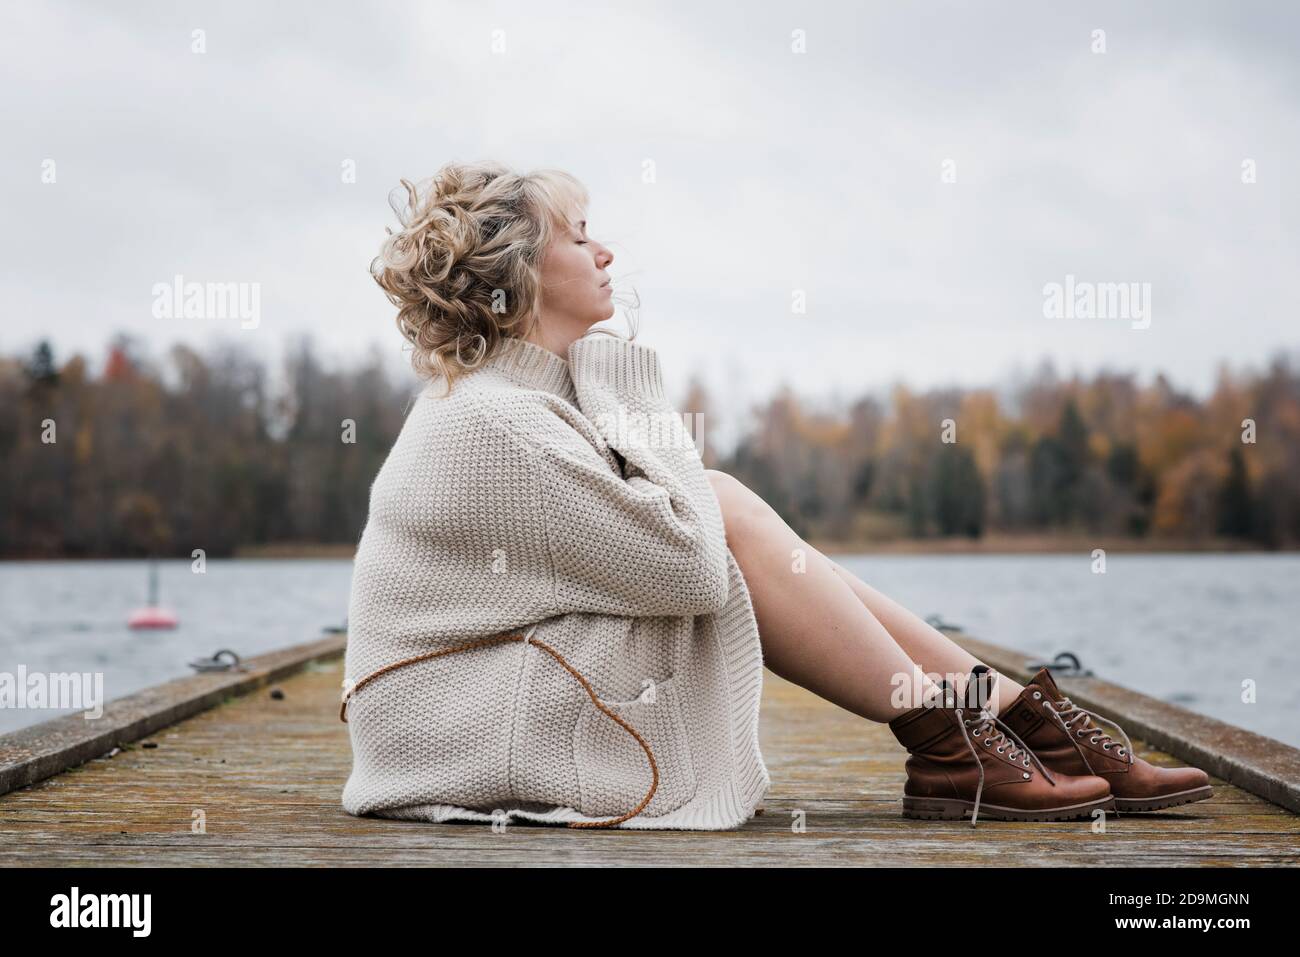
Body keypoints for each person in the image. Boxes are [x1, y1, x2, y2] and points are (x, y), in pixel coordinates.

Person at [339, 160, 1211, 830]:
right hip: (450, 736)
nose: (606, 252)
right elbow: (686, 567)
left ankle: (1002, 719)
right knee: (718, 509)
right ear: (521, 274)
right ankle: (953, 737)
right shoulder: (497, 424)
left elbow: (675, 552)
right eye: (578, 236)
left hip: (499, 694)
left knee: (725, 509)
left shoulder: (520, 402)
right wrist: (628, 385)